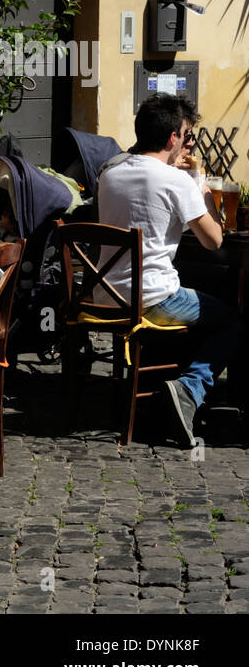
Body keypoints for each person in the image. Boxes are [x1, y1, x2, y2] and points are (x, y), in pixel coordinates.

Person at [94, 93, 241, 446]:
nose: (187, 141)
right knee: (234, 320)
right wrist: (198, 184)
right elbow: (214, 240)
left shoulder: (109, 173)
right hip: (151, 301)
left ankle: (164, 388)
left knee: (200, 295)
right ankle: (188, 390)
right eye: (186, 133)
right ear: (174, 137)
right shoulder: (175, 181)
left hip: (103, 295)